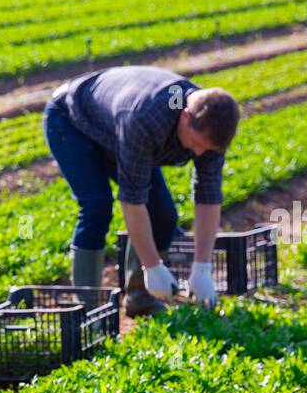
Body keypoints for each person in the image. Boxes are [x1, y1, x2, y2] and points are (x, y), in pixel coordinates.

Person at [43, 65, 240, 316]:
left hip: (115, 127)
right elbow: (133, 200)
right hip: (72, 120)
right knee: (97, 206)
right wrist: (152, 266)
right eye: (197, 144)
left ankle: (140, 297)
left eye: (207, 149)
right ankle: (87, 309)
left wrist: (202, 268)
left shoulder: (213, 127)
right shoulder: (146, 118)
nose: (199, 153)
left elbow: (208, 195)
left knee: (163, 214)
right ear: (185, 116)